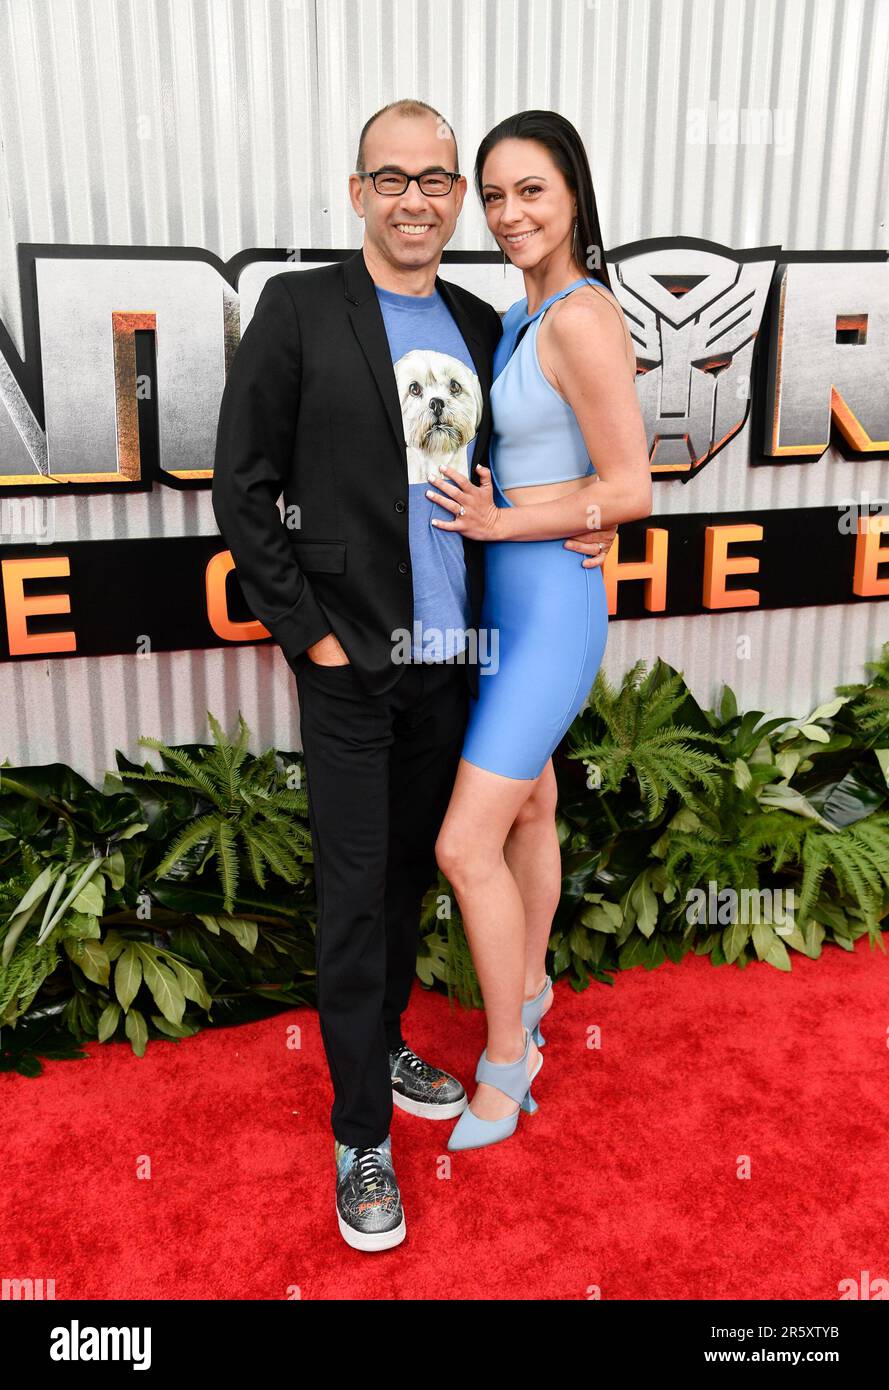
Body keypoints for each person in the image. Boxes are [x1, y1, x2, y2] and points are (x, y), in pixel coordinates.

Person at [211, 99, 613, 1251]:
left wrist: (592, 521)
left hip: (457, 661)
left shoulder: (488, 321)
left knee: (405, 879)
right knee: (349, 898)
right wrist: (313, 638)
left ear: (457, 202)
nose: (418, 199)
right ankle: (359, 1137)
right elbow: (243, 490)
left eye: (440, 180)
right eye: (393, 178)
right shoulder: (296, 311)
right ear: (357, 193)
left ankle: (383, 1042)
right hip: (352, 664)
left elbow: (548, 460)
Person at [428, 111, 653, 1151]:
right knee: (530, 810)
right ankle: (528, 993)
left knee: (462, 839)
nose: (511, 212)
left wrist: (505, 519)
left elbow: (631, 490)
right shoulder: (523, 315)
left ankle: (506, 1063)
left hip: (553, 609)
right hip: (505, 603)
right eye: (497, 193)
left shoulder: (580, 318)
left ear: (573, 196)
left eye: (533, 191)